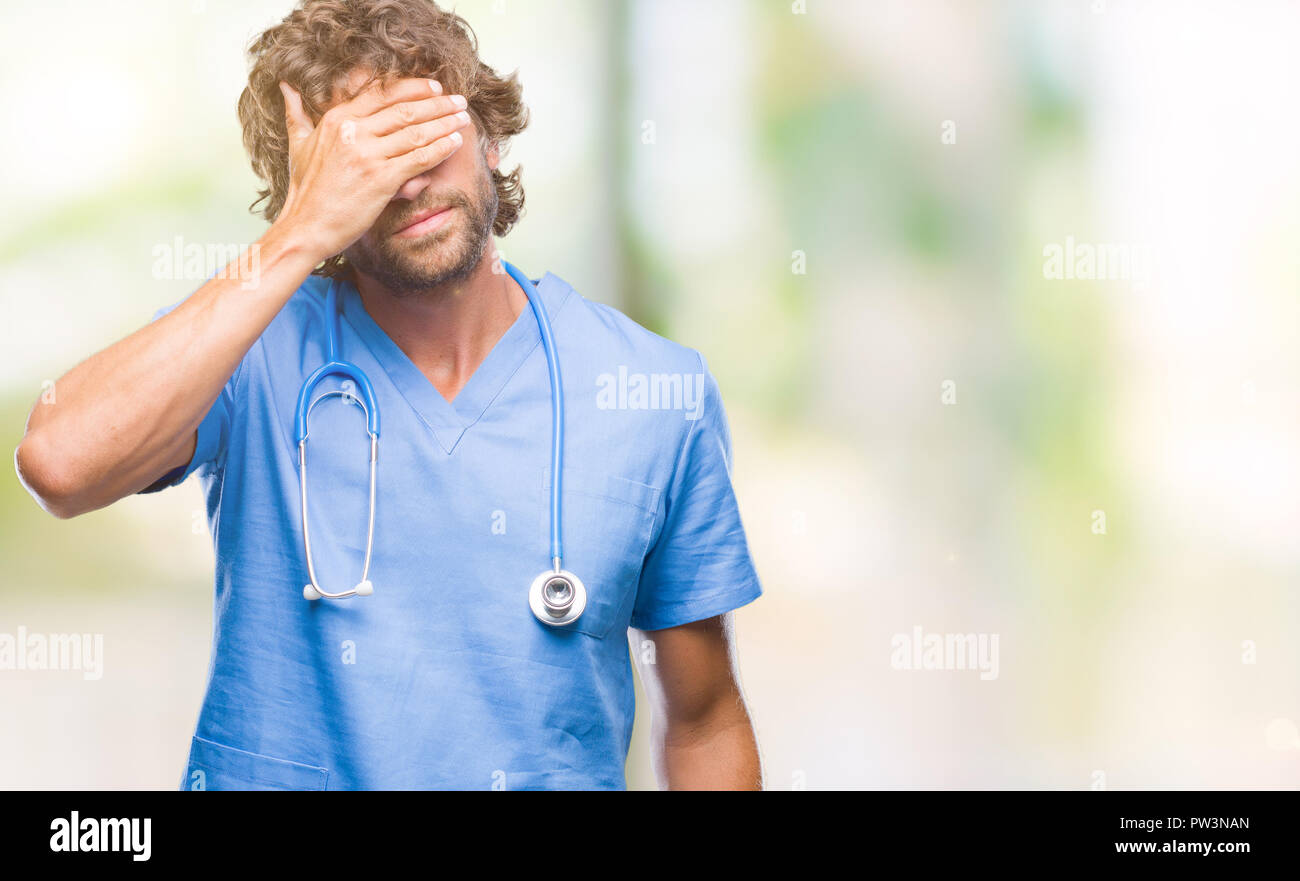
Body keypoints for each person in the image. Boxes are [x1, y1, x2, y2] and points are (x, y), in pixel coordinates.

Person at [15, 0, 762, 790]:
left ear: (489, 133)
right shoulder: (248, 351)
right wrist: (297, 236)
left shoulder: (650, 391)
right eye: (361, 161)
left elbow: (705, 717)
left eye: (422, 132)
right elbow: (60, 463)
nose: (406, 181)